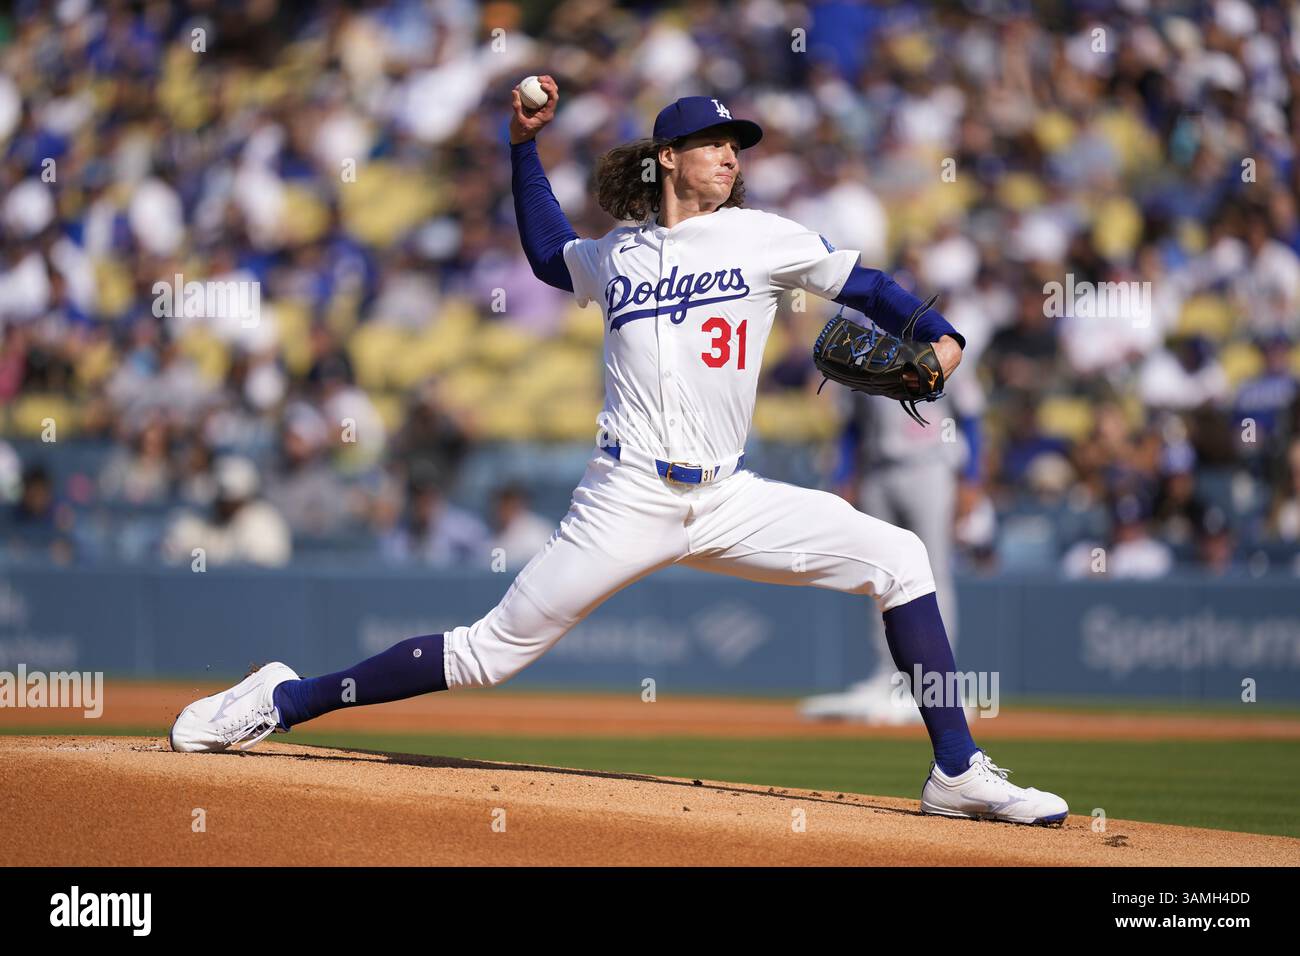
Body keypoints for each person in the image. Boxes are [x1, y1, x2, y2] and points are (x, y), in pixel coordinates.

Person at [170, 81, 1068, 826]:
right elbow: (544, 250)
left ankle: (956, 771)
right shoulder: (621, 254)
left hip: (728, 497)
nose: (731, 154)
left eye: (737, 143)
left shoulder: (765, 236)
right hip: (625, 496)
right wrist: (523, 146)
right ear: (667, 157)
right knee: (488, 654)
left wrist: (941, 336)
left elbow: (867, 284)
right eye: (714, 141)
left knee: (901, 556)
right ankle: (283, 701)